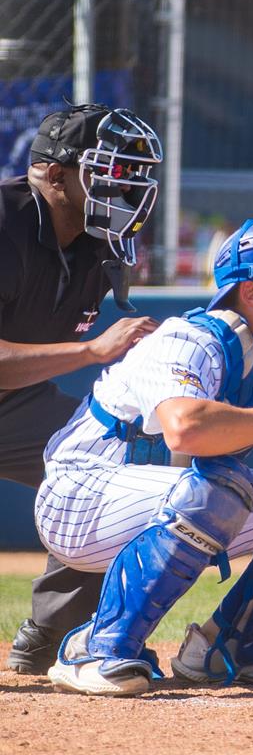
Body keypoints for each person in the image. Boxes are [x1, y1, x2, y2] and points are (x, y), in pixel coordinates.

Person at [33, 215, 253, 696]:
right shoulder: (191, 339)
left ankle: (229, 649)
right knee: (222, 486)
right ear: (251, 293)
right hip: (80, 495)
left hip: (177, 500)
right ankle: (95, 648)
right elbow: (185, 429)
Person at [3, 104, 162, 675]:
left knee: (126, 471)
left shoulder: (101, 246)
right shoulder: (4, 221)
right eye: (108, 171)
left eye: (134, 174)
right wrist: (93, 352)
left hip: (15, 407)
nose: (126, 186)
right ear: (51, 172)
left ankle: (54, 634)